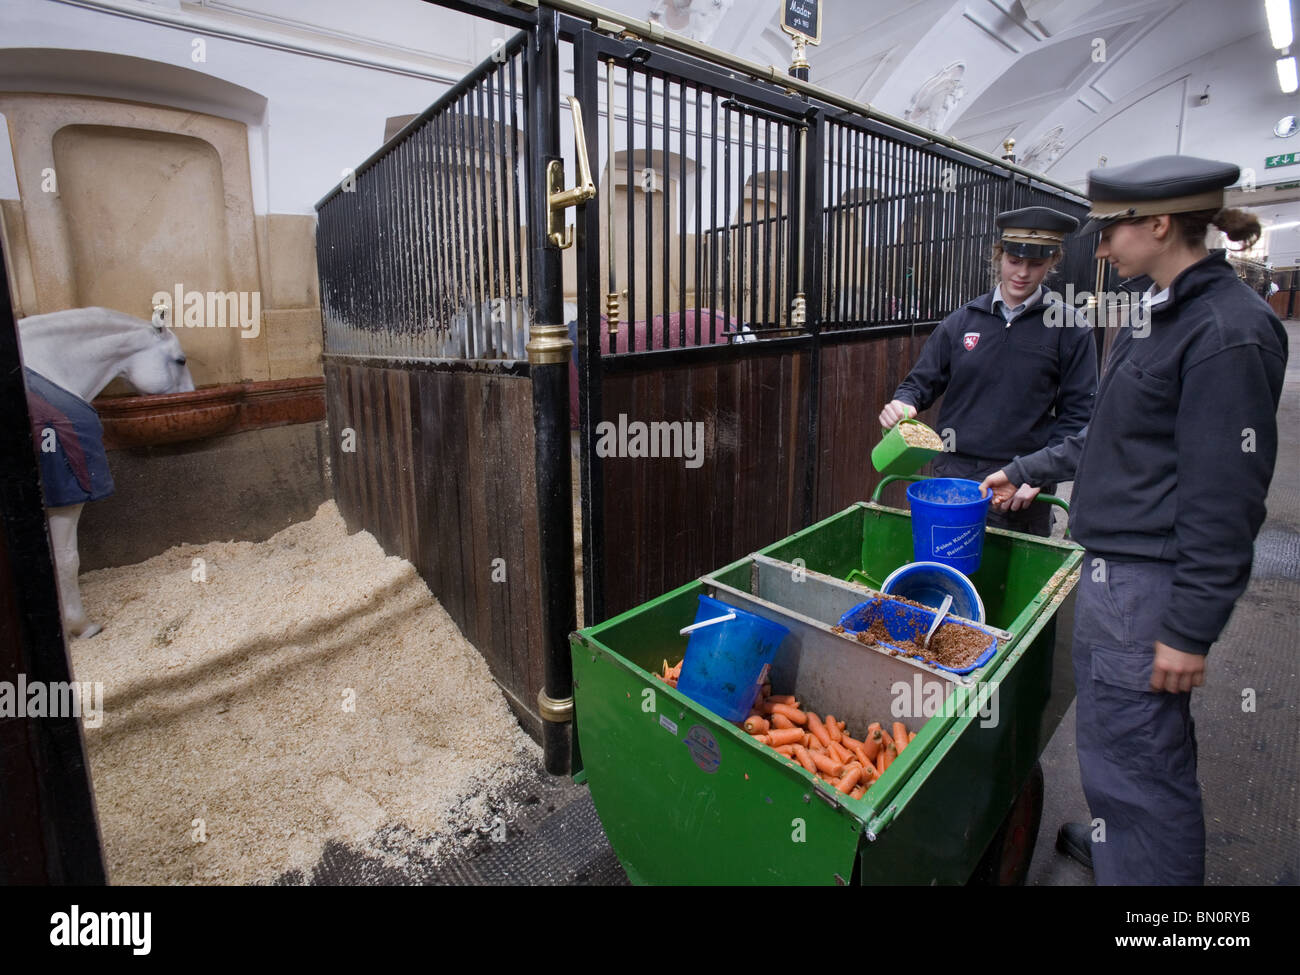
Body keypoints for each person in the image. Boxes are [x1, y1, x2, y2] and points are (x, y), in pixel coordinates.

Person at [979, 154, 1288, 885]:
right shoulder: (1159, 310)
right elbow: (1111, 433)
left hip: (1152, 585)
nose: (1102, 246)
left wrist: (1189, 628)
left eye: (1111, 230)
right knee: (1117, 742)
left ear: (1157, 225)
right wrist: (1025, 469)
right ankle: (1123, 846)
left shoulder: (1224, 331)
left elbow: (1227, 495)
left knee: (1143, 764)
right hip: (1116, 573)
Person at [878, 206, 1096, 536]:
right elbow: (921, 381)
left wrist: (1036, 476)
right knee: (945, 572)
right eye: (1014, 260)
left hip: (1019, 484)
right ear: (999, 256)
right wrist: (904, 403)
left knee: (1013, 584)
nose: (1022, 272)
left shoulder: (1070, 327)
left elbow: (1079, 416)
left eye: (1035, 263)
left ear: (1052, 262)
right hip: (955, 475)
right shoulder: (962, 320)